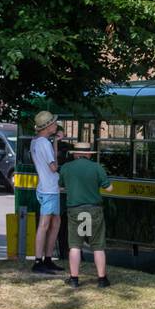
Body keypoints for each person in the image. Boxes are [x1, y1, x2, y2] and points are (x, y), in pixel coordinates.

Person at [58, 141, 114, 288]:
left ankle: (74, 279)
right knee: (98, 247)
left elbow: (60, 185)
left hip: (75, 211)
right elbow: (109, 188)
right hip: (94, 210)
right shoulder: (97, 167)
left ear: (75, 154)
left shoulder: (66, 167)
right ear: (89, 154)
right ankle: (102, 280)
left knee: (75, 246)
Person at [30, 110, 63, 274]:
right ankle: (39, 261)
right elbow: (53, 167)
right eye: (54, 123)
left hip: (46, 187)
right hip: (50, 188)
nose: (56, 125)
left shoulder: (36, 141)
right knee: (45, 224)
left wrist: (55, 142)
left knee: (55, 222)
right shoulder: (44, 143)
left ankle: (47, 259)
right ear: (48, 126)